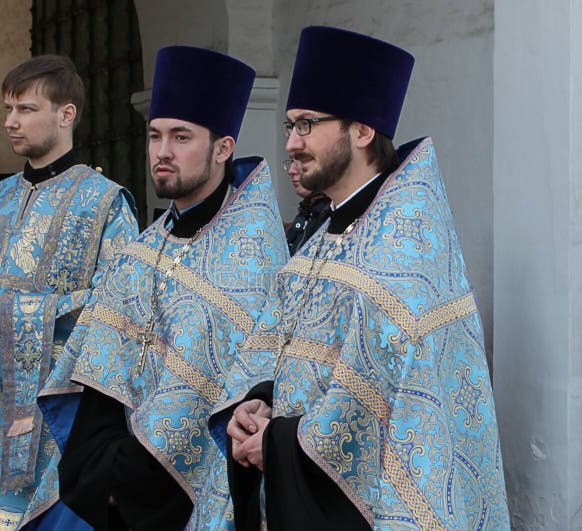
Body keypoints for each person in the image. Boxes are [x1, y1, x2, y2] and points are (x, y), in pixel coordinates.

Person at [211, 26, 510, 529]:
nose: (292, 143)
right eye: (289, 126)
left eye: (307, 125)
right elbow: (286, 350)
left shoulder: (405, 248)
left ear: (363, 131)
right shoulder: (322, 236)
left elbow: (379, 404)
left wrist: (279, 443)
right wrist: (256, 402)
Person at [33, 46, 289, 531]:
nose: (162, 152)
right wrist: (107, 478)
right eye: (155, 135)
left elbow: (237, 395)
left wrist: (137, 477)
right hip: (112, 496)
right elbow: (96, 385)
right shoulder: (138, 254)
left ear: (223, 148)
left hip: (185, 503)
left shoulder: (255, 263)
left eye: (181, 137)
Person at [0, 54, 139, 530]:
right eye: (8, 109)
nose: (10, 122)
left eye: (25, 109)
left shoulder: (105, 201)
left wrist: (19, 312)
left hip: (58, 404)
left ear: (66, 114)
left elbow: (122, 303)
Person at [283, 158, 330, 256]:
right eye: (292, 162)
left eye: (300, 161)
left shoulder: (331, 215)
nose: (291, 171)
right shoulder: (308, 211)